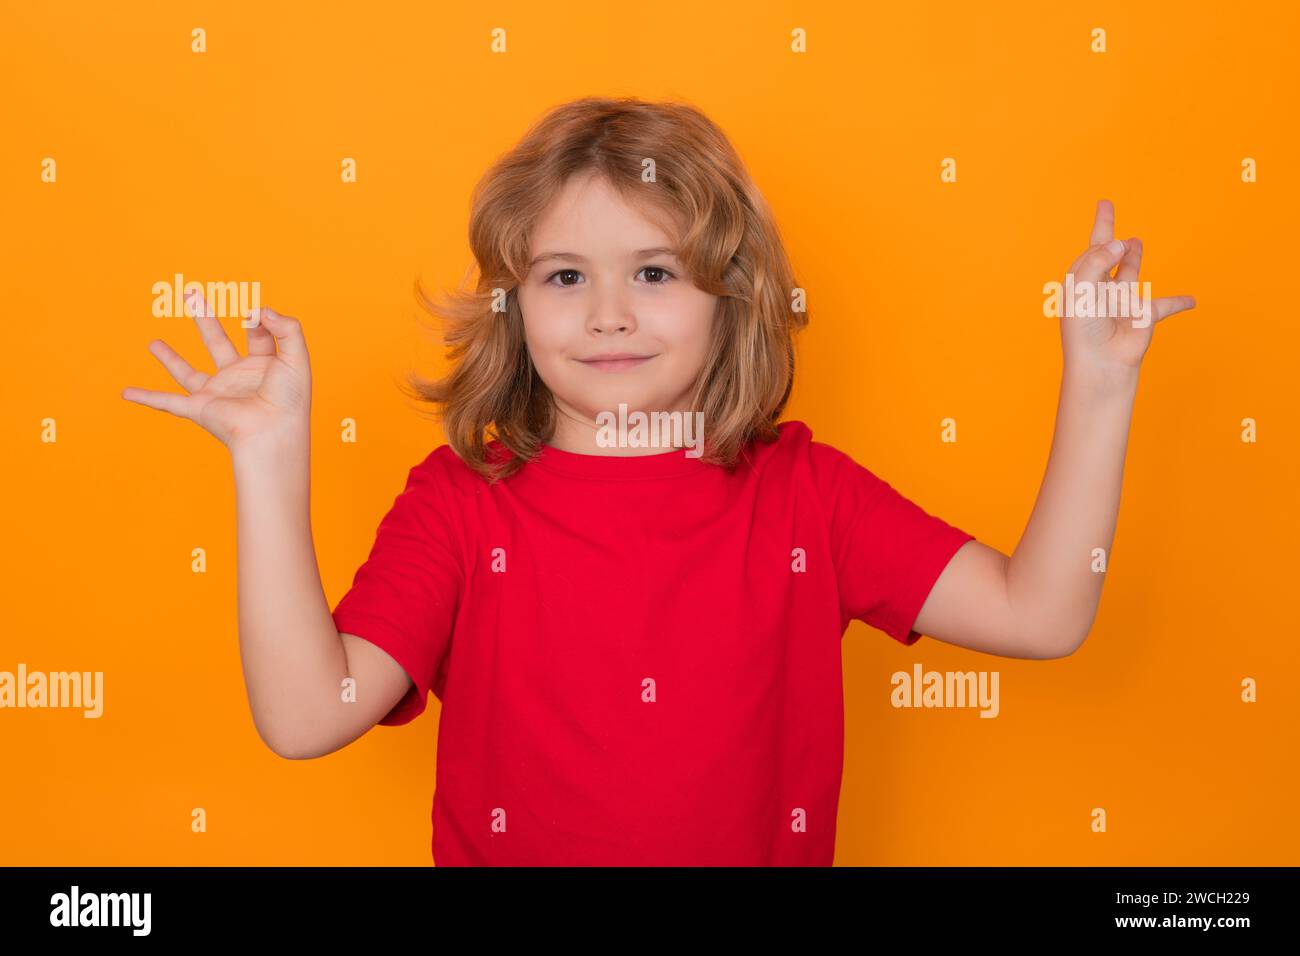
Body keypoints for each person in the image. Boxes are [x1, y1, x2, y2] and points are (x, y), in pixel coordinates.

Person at [121, 96, 1196, 866]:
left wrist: (1098, 387)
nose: (607, 315)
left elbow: (1043, 612)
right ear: (515, 305)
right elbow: (308, 714)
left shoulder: (805, 496)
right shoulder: (459, 502)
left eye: (652, 271)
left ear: (732, 297)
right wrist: (266, 465)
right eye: (563, 277)